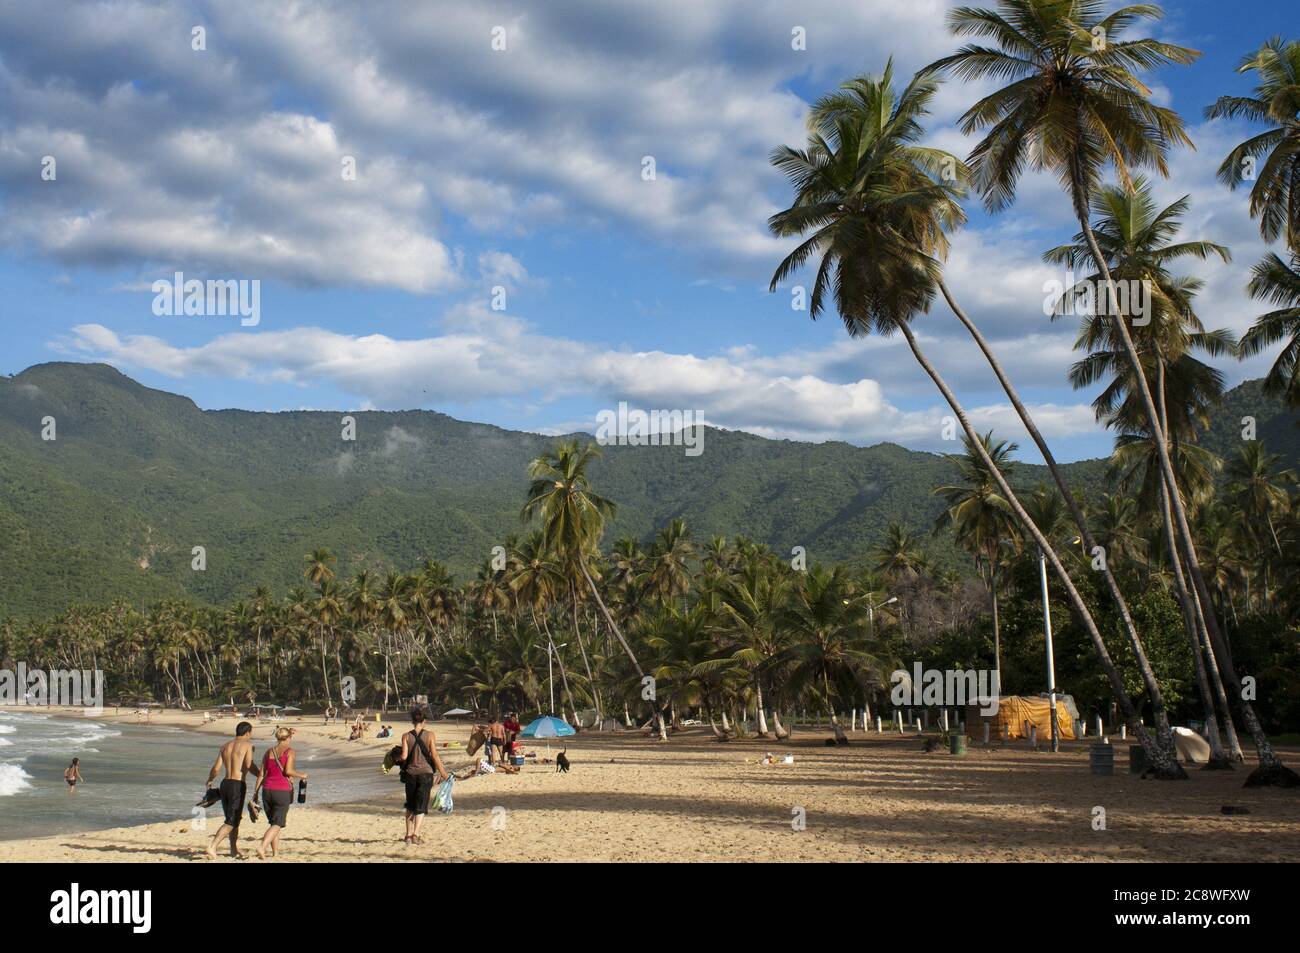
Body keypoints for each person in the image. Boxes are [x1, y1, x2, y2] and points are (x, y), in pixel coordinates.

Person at [204, 721, 260, 860]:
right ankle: (213, 846)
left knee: (233, 819)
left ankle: (233, 850)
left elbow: (216, 768)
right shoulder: (248, 745)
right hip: (237, 785)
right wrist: (260, 774)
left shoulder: (225, 747)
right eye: (250, 733)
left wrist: (209, 780)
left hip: (225, 784)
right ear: (247, 732)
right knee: (231, 820)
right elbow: (249, 765)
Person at [252, 727, 307, 860]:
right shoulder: (290, 751)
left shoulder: (268, 752)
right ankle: (262, 847)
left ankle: (275, 853)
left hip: (266, 790)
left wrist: (255, 792)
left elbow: (261, 774)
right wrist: (302, 775)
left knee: (273, 823)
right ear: (288, 738)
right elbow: (288, 771)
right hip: (281, 791)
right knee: (278, 823)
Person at [398, 709, 448, 845]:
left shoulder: (406, 736)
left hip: (410, 774)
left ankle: (408, 836)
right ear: (424, 721)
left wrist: (394, 758)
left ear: (412, 721)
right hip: (426, 774)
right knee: (421, 805)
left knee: (410, 804)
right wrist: (443, 774)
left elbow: (403, 756)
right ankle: (416, 834)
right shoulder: (430, 735)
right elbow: (434, 755)